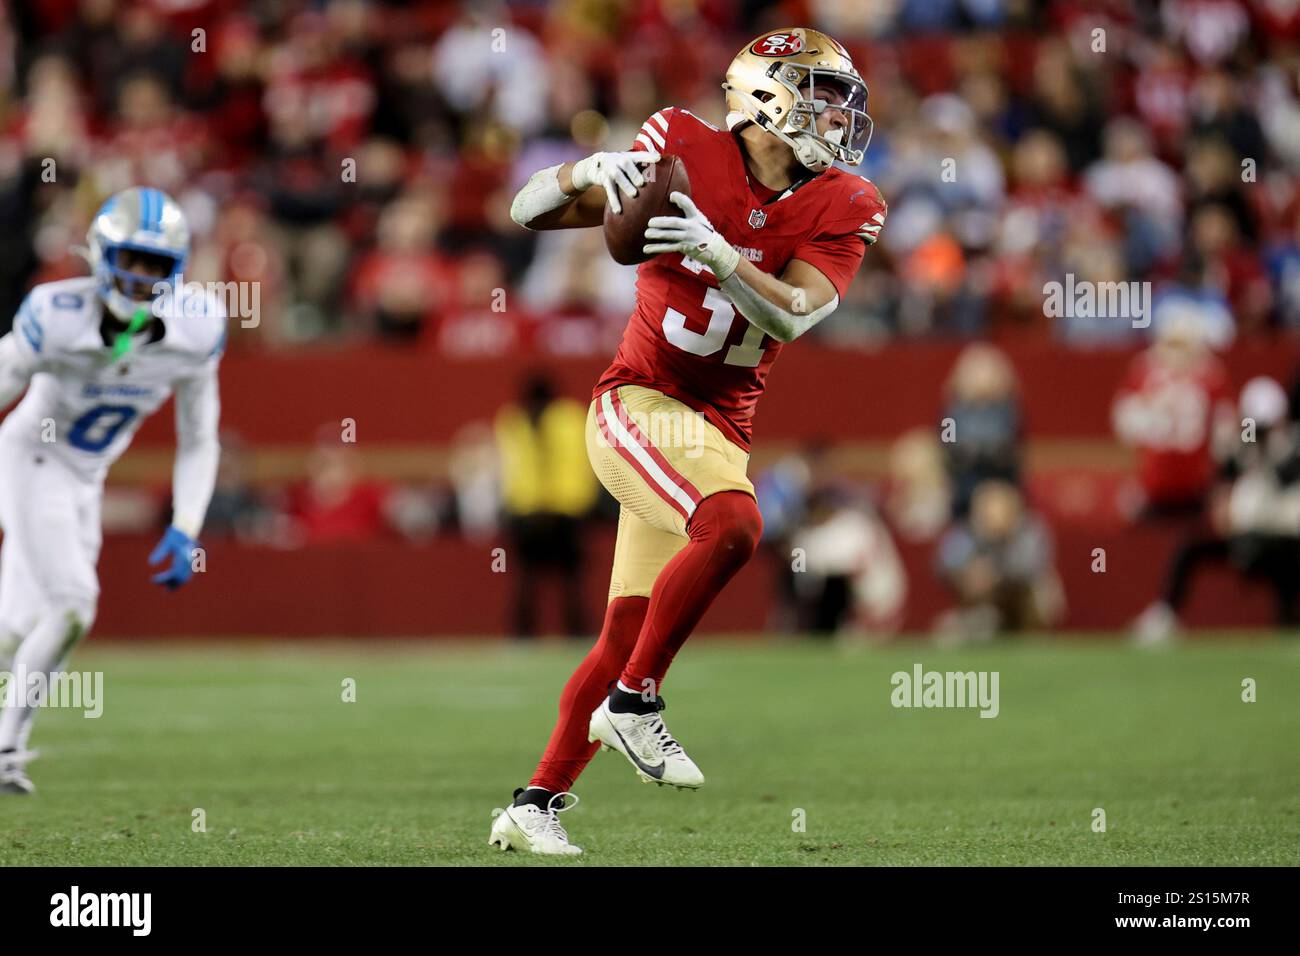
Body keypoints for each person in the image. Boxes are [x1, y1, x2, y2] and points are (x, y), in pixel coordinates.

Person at [489, 27, 886, 855]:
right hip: (640, 402)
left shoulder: (846, 201)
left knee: (624, 633)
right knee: (735, 526)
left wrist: (719, 254)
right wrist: (584, 173)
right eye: (819, 92)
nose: (838, 114)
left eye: (840, 96)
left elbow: (795, 313)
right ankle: (636, 704)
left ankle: (534, 804)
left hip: (716, 432)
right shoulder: (679, 145)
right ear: (768, 96)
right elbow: (526, 208)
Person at [0, 188, 224, 793]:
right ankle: (5, 751)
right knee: (73, 603)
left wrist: (186, 526)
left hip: (84, 477)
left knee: (17, 627)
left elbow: (200, 438)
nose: (140, 277)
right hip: (31, 456)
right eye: (132, 259)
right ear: (101, 254)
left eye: (156, 266)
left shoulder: (195, 329)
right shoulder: (57, 315)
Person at [1134, 377, 1300, 643]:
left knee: (1287, 567)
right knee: (1191, 546)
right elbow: (1222, 487)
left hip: (1283, 539)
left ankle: (1288, 623)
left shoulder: (1291, 449)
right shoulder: (1240, 447)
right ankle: (1165, 614)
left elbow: (1281, 484)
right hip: (1245, 533)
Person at [494, 373, 599, 638]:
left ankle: (526, 635)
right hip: (560, 510)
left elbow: (512, 467)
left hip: (538, 510)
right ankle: (571, 633)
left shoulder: (514, 420)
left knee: (539, 579)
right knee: (560, 579)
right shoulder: (571, 417)